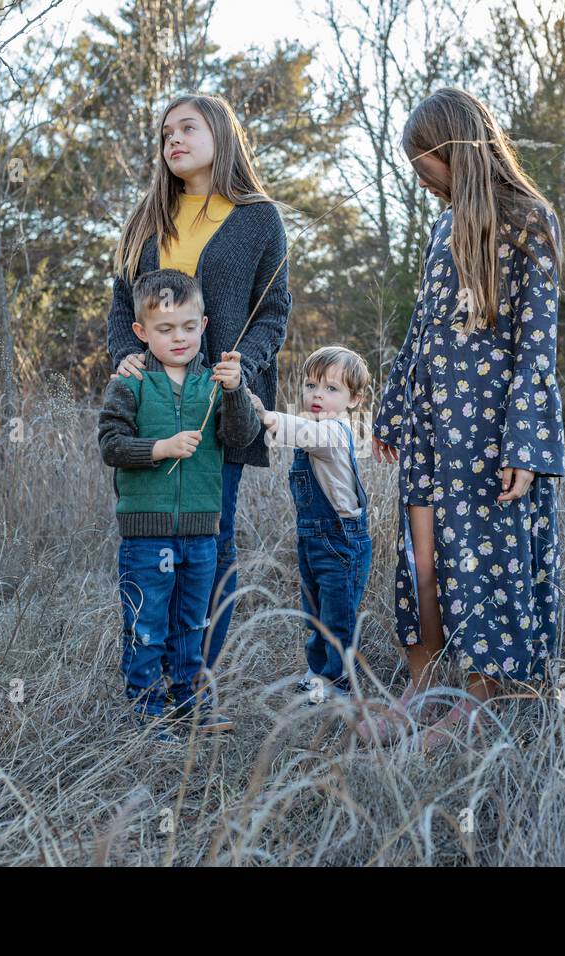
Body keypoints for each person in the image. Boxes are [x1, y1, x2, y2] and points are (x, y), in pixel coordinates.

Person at [365, 87, 565, 750]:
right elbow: (422, 329)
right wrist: (390, 408)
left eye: (428, 166)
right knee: (421, 563)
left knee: (484, 564)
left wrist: (527, 441)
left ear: (458, 152)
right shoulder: (438, 227)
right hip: (428, 423)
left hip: (490, 433)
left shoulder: (530, 221)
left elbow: (537, 343)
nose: (422, 180)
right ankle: (422, 684)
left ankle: (482, 698)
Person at [107, 93, 291, 681]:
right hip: (152, 404)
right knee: (150, 540)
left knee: (213, 544)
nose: (173, 141)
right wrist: (125, 357)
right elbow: (119, 305)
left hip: (221, 403)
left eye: (187, 128)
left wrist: (247, 364)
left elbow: (274, 310)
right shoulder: (146, 218)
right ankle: (147, 685)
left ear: (221, 134)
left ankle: (195, 683)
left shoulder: (259, 217)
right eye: (165, 134)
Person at [98, 269, 260, 735]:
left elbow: (240, 437)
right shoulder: (130, 383)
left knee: (194, 622)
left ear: (204, 325)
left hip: (201, 533)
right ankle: (146, 711)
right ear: (140, 332)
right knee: (148, 623)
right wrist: (160, 448)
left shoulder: (214, 382)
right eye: (165, 329)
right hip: (146, 537)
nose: (179, 338)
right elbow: (110, 443)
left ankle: (190, 700)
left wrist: (236, 390)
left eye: (189, 327)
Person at [249, 347, 373, 703]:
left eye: (332, 389)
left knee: (338, 616)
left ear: (355, 399)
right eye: (311, 385)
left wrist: (268, 416)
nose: (318, 394)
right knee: (315, 612)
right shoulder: (314, 427)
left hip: (340, 541)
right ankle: (318, 672)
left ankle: (341, 684)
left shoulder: (334, 432)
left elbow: (300, 431)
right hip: (314, 540)